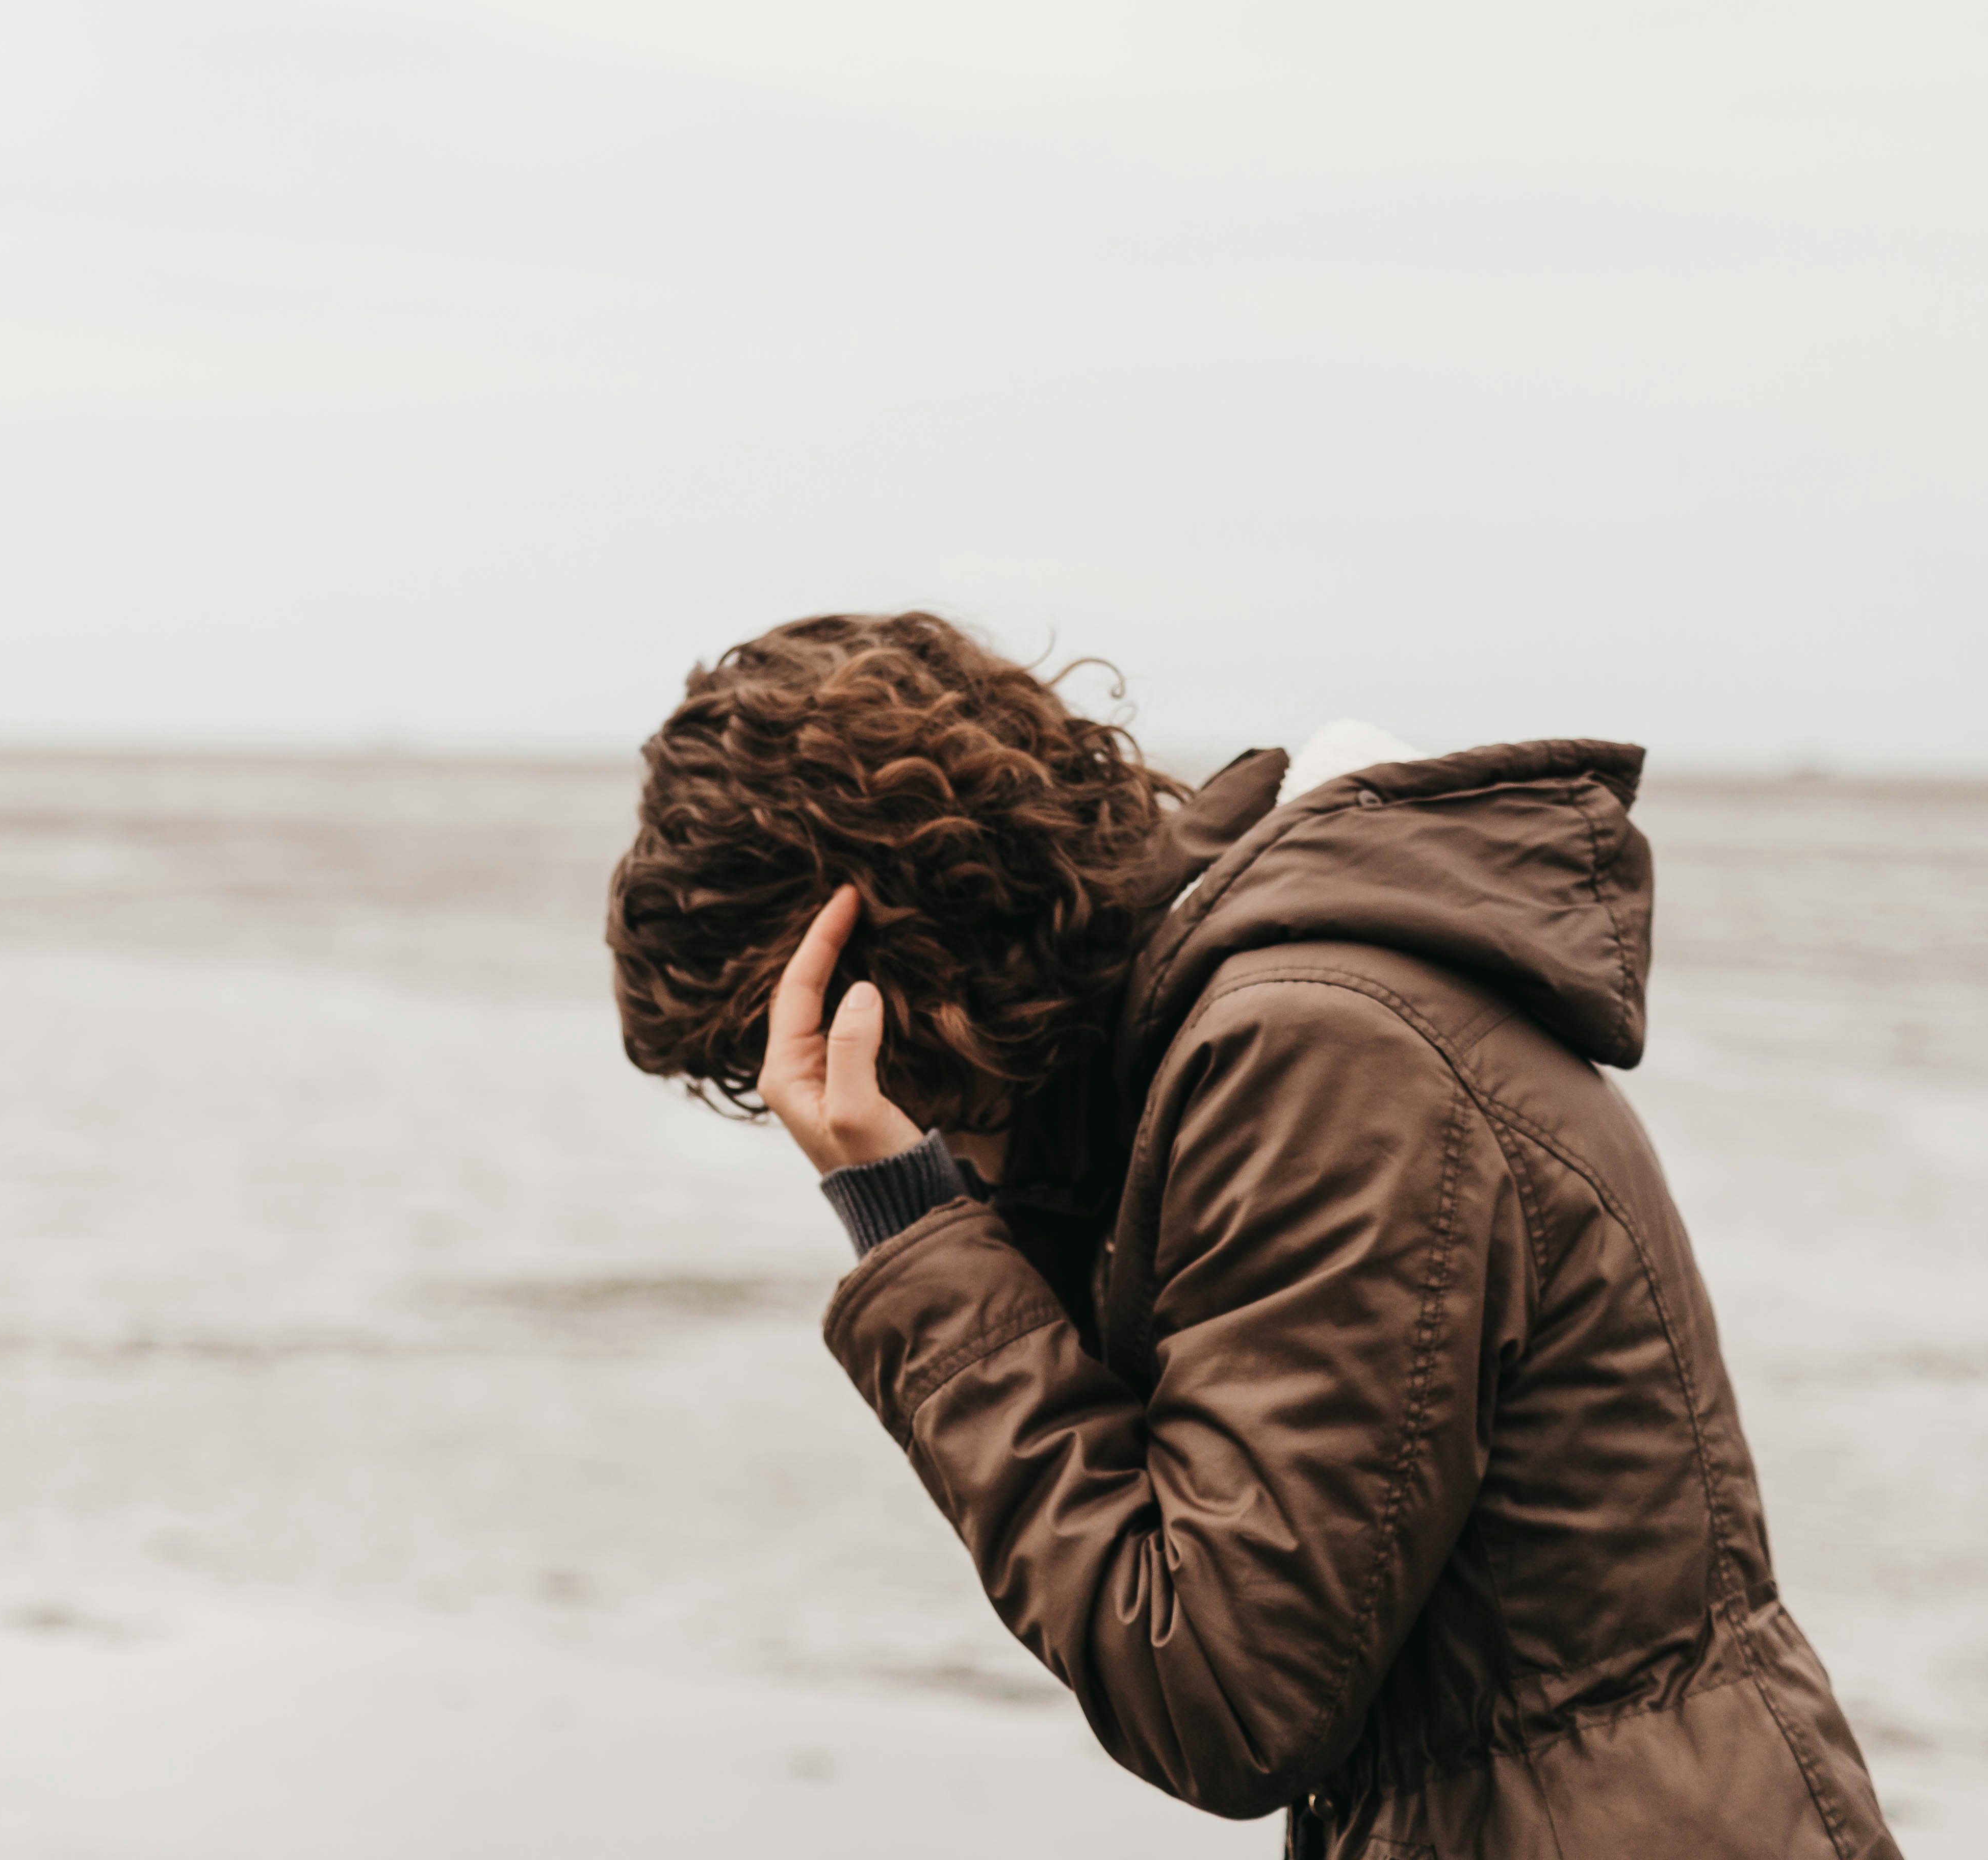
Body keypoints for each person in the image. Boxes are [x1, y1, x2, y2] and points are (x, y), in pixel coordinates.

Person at [606, 611, 1899, 1859]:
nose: (908, 1123)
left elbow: (1221, 1694)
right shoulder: (1223, 1048)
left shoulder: (1316, 1055)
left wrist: (912, 1227)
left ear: (893, 990)